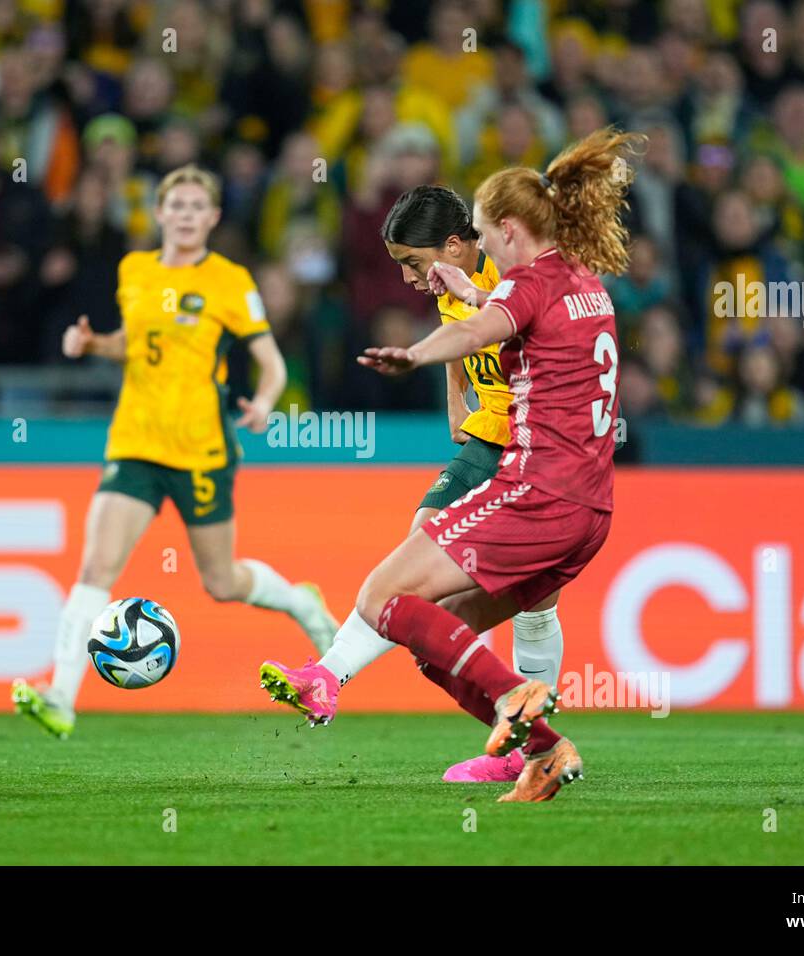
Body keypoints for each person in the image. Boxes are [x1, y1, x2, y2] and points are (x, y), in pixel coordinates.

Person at [260, 128, 641, 802]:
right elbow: (490, 325)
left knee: (385, 597)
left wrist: (413, 354)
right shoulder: (581, 281)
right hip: (588, 502)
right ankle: (536, 751)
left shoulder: (524, 284)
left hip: (535, 486)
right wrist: (464, 313)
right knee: (435, 633)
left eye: (489, 231)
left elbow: (478, 330)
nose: (484, 240)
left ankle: (519, 717)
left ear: (508, 230)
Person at [13, 164, 339, 739]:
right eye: (177, 205)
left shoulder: (229, 280)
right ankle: (60, 696)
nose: (186, 215)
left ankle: (301, 603)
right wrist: (93, 343)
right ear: (159, 213)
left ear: (212, 218)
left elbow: (271, 361)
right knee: (96, 566)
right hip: (135, 441)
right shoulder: (133, 270)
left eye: (197, 207)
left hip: (201, 447)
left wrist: (265, 401)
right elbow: (139, 345)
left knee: (221, 582)